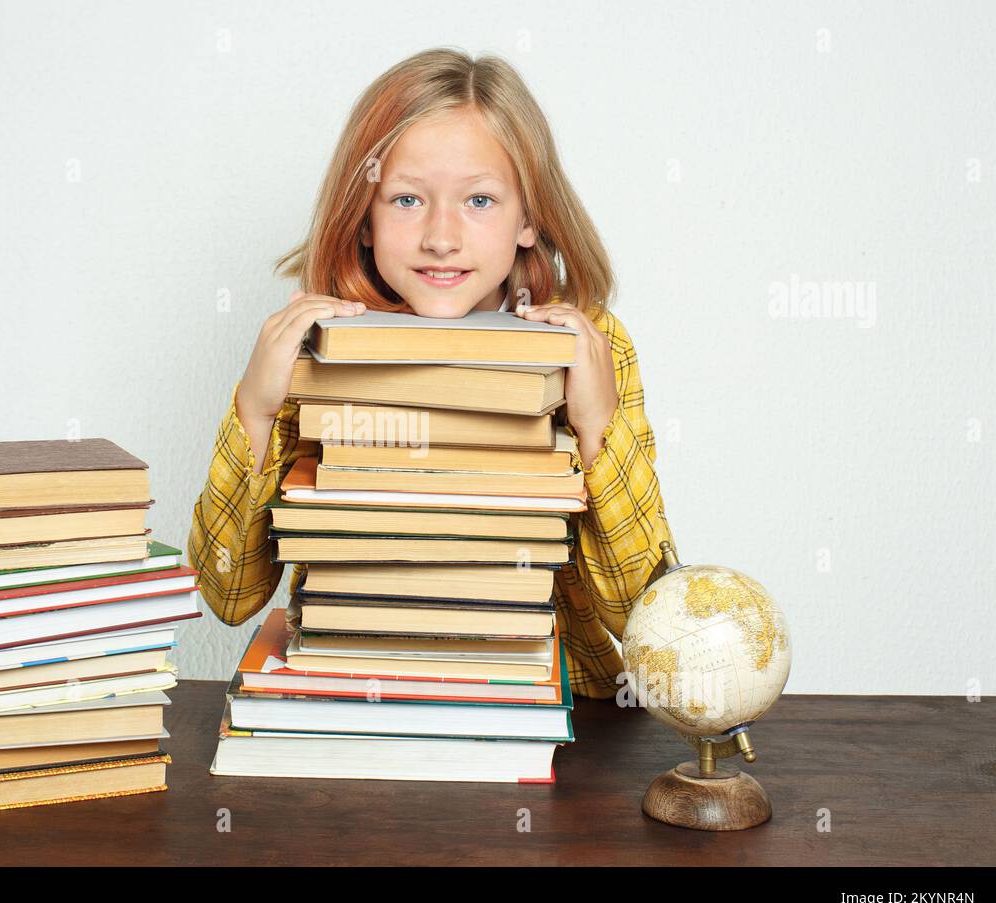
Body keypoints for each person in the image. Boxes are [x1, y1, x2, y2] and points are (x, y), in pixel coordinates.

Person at [188, 47, 675, 699]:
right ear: (363, 216)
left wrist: (597, 428)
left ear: (529, 218)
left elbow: (650, 619)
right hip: (359, 691)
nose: (441, 237)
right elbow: (228, 595)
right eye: (408, 199)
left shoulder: (593, 346)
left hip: (554, 709)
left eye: (479, 199)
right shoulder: (316, 350)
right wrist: (255, 411)